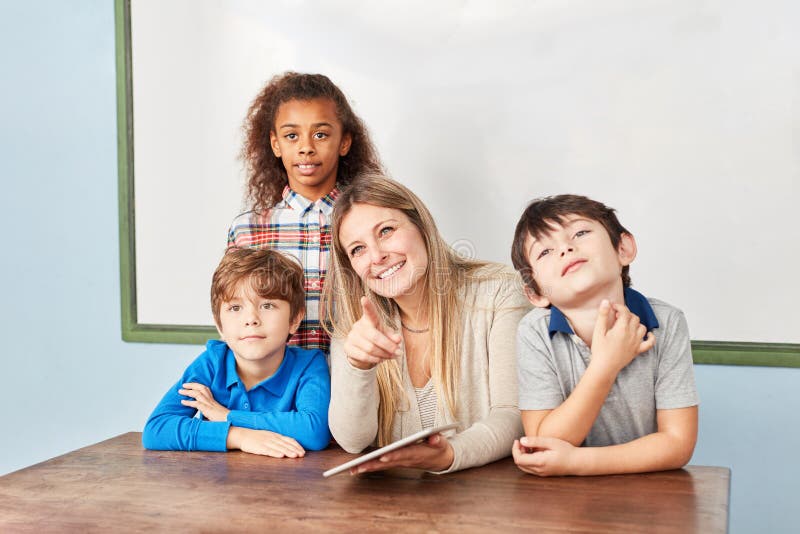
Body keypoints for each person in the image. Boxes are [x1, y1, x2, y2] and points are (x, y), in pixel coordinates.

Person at [324, 174, 530, 474]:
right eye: (358, 249)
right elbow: (354, 442)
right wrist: (359, 367)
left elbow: (514, 414)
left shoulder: (499, 292)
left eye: (386, 231)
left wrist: (449, 455)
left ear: (420, 225)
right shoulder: (356, 327)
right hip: (394, 505)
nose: (377, 256)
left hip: (490, 502)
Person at [509, 194, 698, 476]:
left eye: (581, 232)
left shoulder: (667, 322)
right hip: (560, 501)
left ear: (623, 248)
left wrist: (576, 462)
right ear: (535, 293)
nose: (566, 249)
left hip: (648, 495)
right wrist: (605, 365)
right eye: (544, 252)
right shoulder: (533, 332)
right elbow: (542, 446)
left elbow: (678, 443)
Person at [227, 72, 382, 353]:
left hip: (356, 387)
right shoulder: (247, 230)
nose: (306, 148)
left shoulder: (369, 221)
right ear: (276, 144)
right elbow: (235, 317)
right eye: (291, 136)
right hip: (277, 393)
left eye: (320, 134)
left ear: (344, 142)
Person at [142, 247, 331, 456]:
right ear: (219, 325)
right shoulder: (212, 363)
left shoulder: (310, 365)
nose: (251, 319)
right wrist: (239, 436)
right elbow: (157, 429)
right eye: (235, 308)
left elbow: (315, 430)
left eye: (267, 305)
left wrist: (227, 415)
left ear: (294, 320)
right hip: (219, 484)